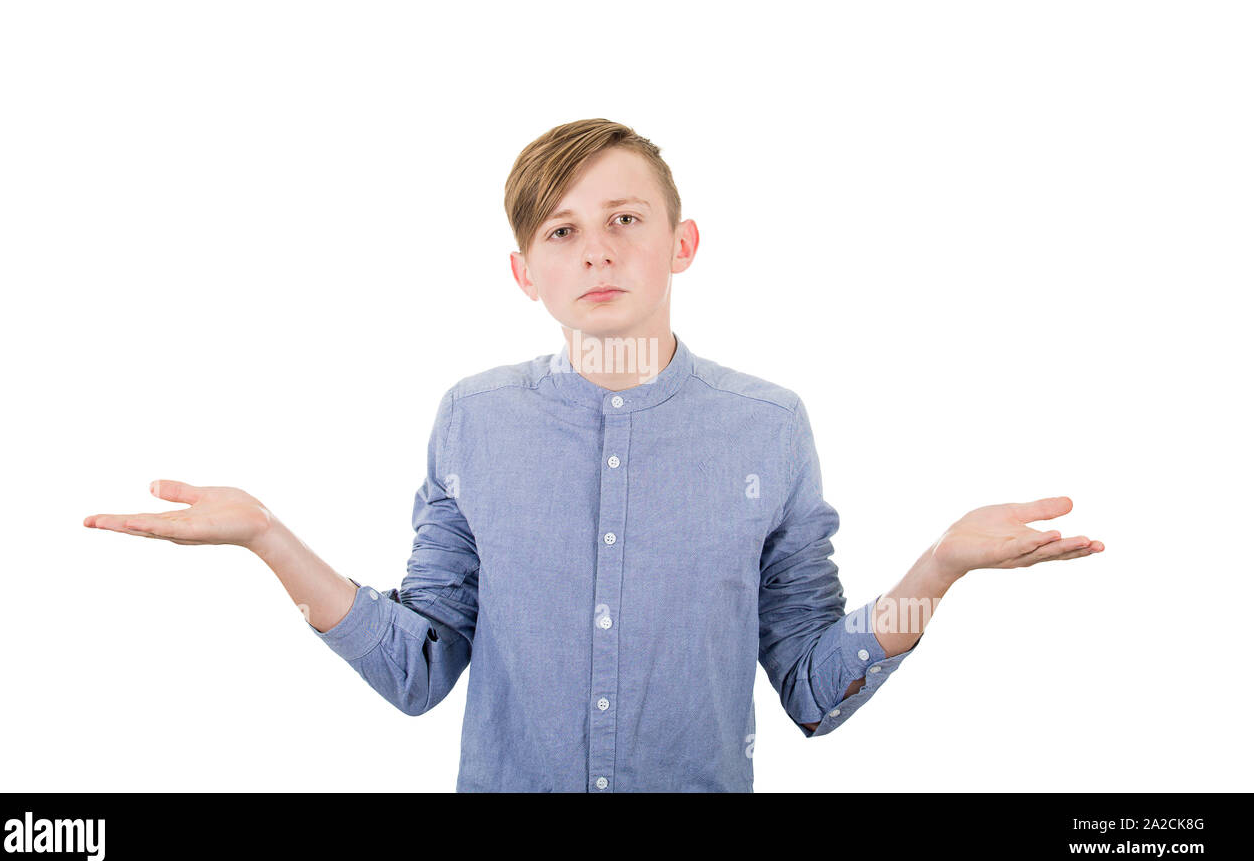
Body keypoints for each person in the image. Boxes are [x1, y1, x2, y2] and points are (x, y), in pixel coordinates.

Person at [83, 118, 1104, 792]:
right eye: (563, 231)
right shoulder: (471, 419)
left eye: (625, 219)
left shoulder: (770, 426)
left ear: (682, 242)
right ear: (524, 271)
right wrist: (267, 536)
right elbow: (418, 669)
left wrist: (941, 571)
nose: (598, 249)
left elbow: (809, 686)